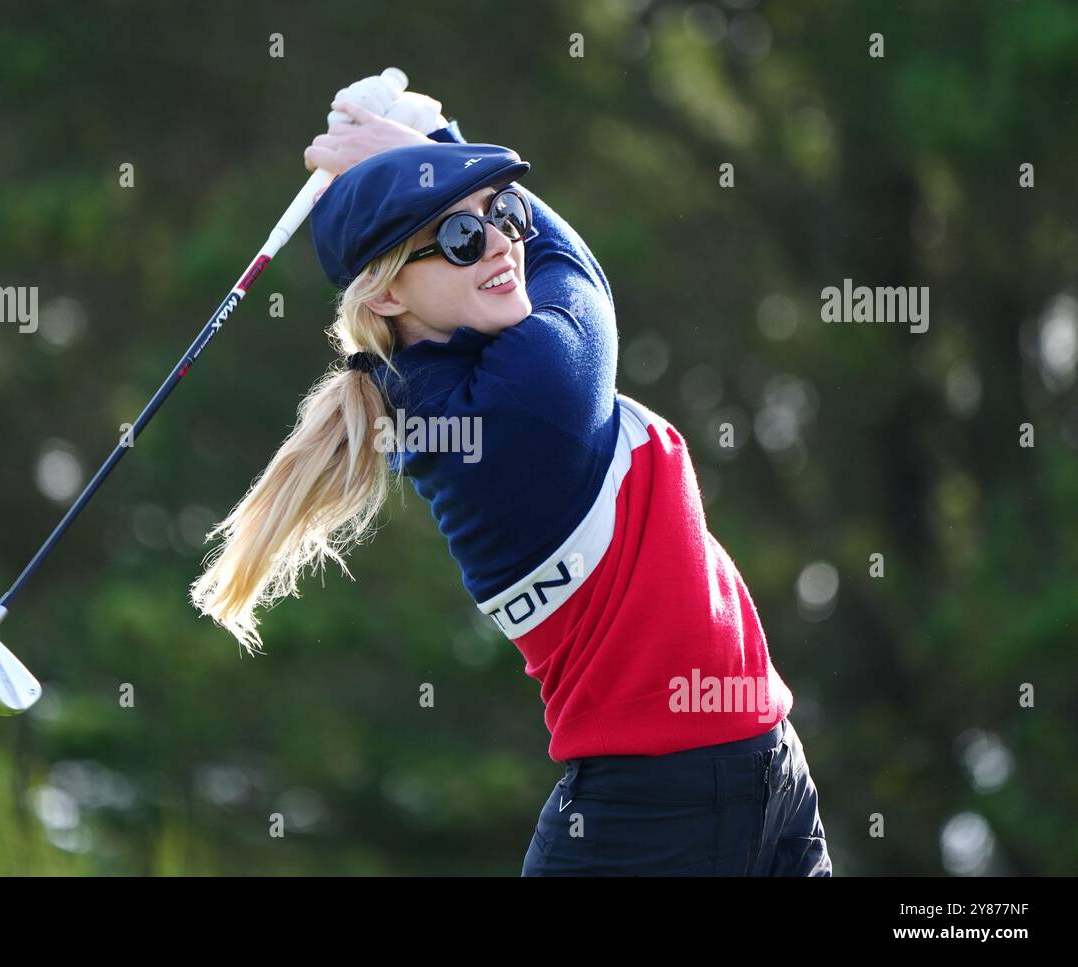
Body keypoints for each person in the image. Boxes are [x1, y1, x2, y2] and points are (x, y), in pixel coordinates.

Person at [189, 81, 832, 876]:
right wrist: (430, 143)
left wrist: (433, 157)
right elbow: (578, 271)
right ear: (387, 291)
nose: (499, 243)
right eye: (460, 236)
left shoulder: (449, 375)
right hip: (650, 809)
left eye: (503, 214)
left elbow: (536, 257)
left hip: (764, 768)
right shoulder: (522, 404)